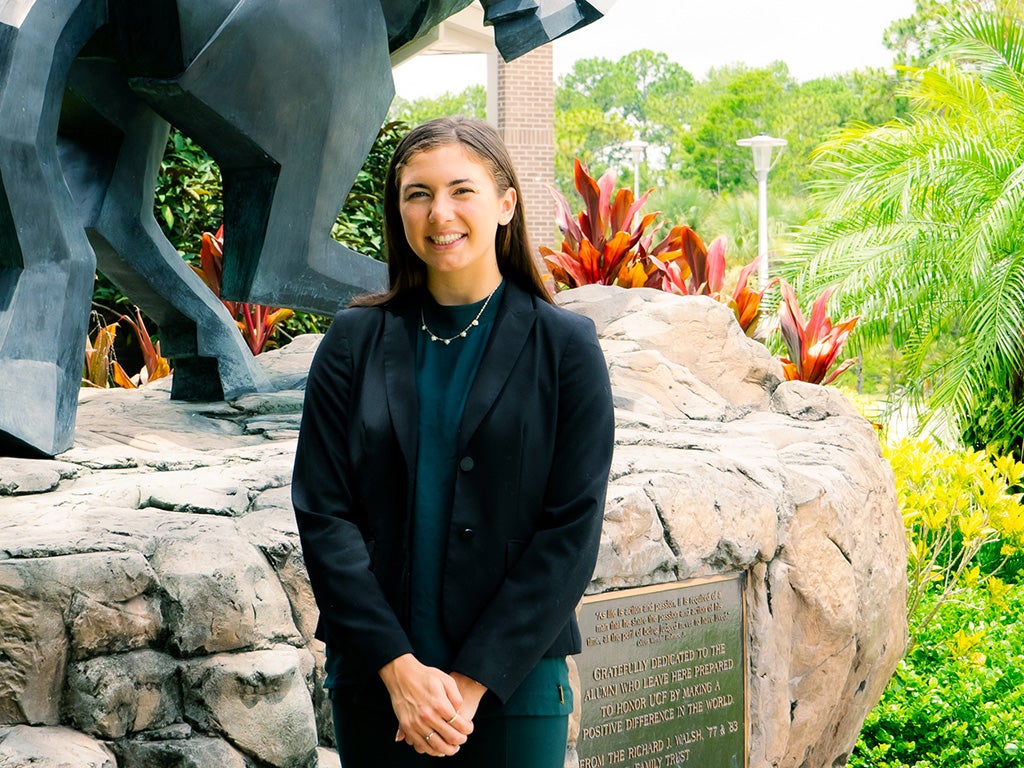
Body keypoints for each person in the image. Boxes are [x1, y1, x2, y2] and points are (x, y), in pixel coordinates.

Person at [292, 116, 615, 766]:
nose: (440, 212)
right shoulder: (352, 343)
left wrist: (464, 689)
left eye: (461, 190)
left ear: (505, 203)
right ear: (399, 210)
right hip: (375, 690)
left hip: (512, 693)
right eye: (418, 193)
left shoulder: (565, 349)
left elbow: (570, 534)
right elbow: (324, 516)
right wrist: (400, 671)